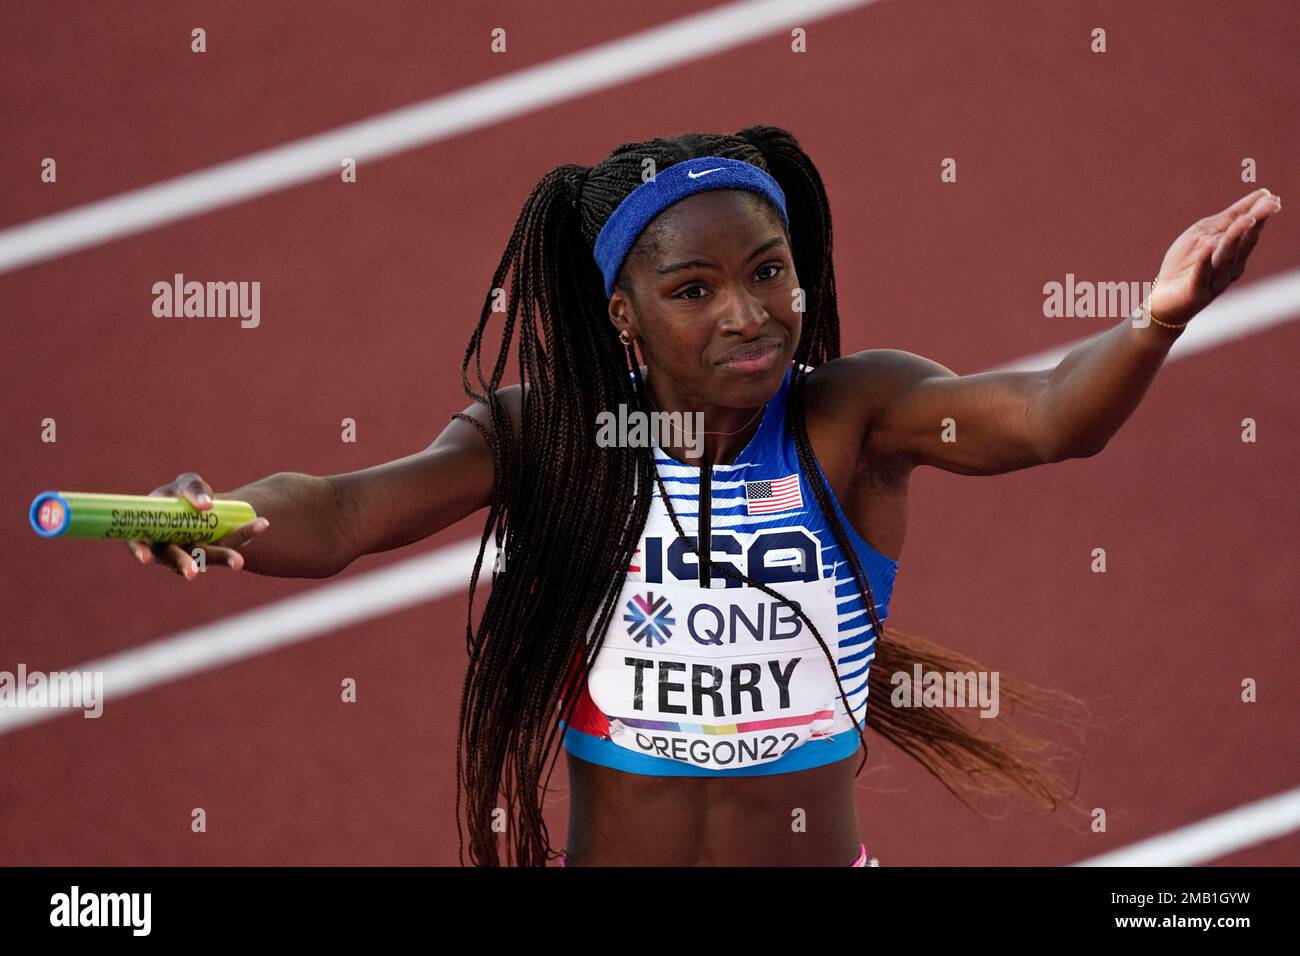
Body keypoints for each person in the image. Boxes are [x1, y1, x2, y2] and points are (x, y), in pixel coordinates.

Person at [127, 126, 1280, 867]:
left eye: (769, 270)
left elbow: (1044, 417)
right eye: (695, 287)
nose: (749, 312)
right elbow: (335, 511)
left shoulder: (853, 418)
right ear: (623, 314)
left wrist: (1156, 318)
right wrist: (218, 514)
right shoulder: (551, 436)